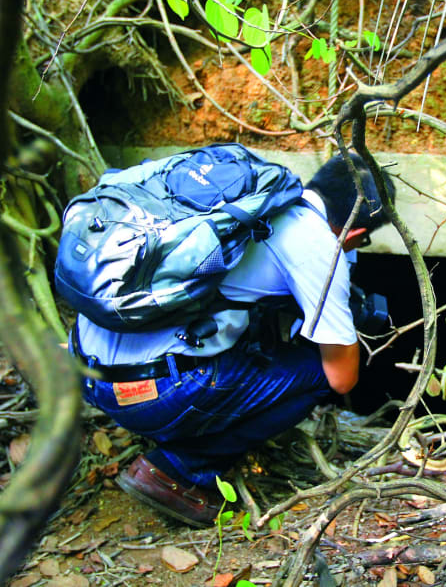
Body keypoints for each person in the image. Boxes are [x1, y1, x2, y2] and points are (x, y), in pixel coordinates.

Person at [70, 151, 394, 527]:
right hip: (142, 398)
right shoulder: (318, 248)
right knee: (317, 375)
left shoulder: (248, 198)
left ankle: (179, 420)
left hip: (85, 366)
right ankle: (180, 470)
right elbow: (342, 378)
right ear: (355, 233)